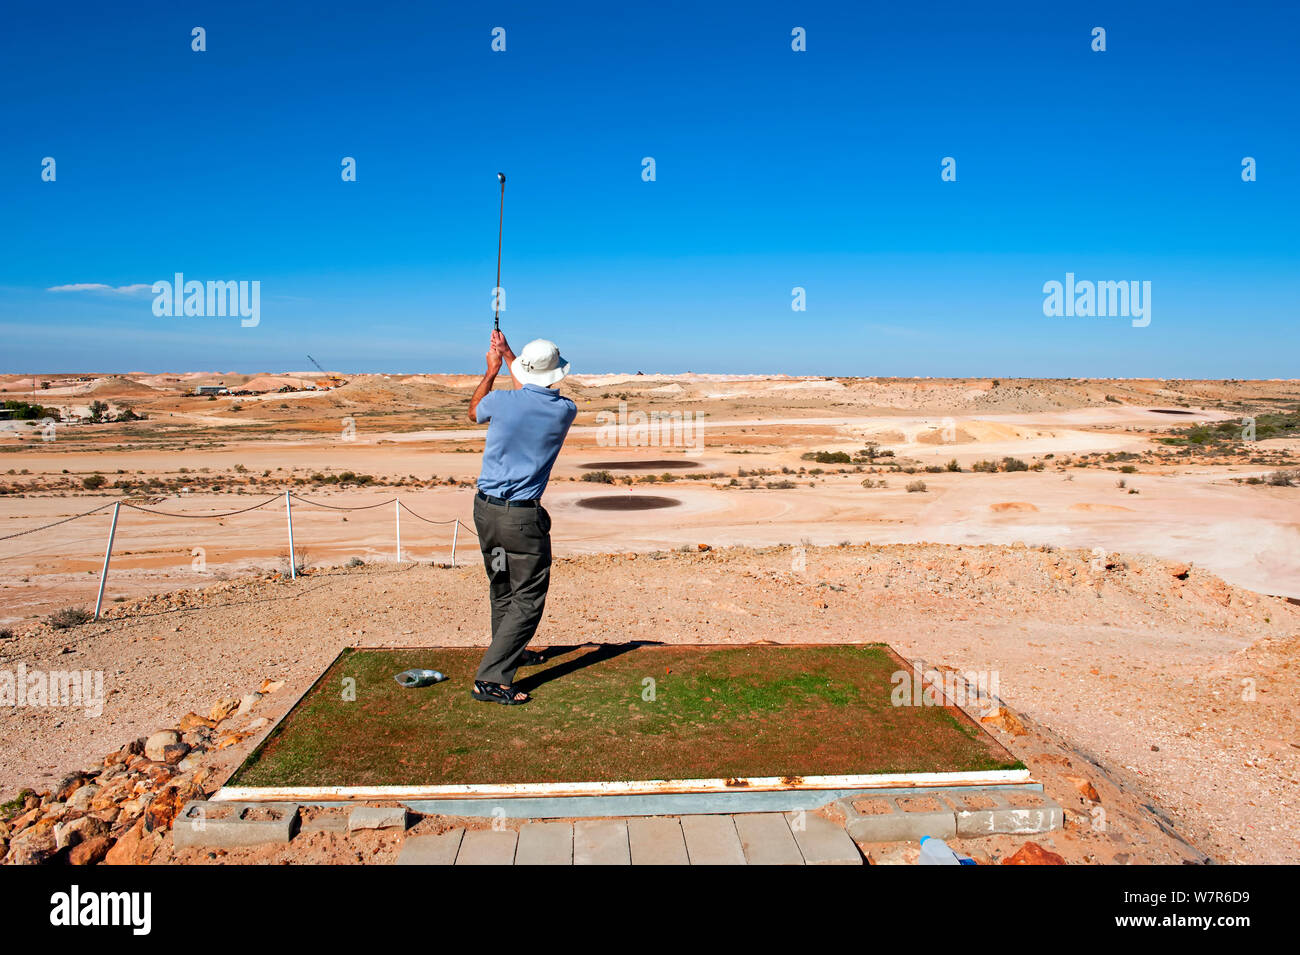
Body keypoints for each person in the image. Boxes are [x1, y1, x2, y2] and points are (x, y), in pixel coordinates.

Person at [466, 329, 576, 704]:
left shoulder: (500, 401)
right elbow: (532, 391)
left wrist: (492, 369)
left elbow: (472, 413)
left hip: (486, 511)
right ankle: (492, 679)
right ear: (557, 374)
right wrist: (510, 355)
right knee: (528, 597)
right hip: (523, 521)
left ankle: (507, 653)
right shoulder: (565, 410)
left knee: (502, 586)